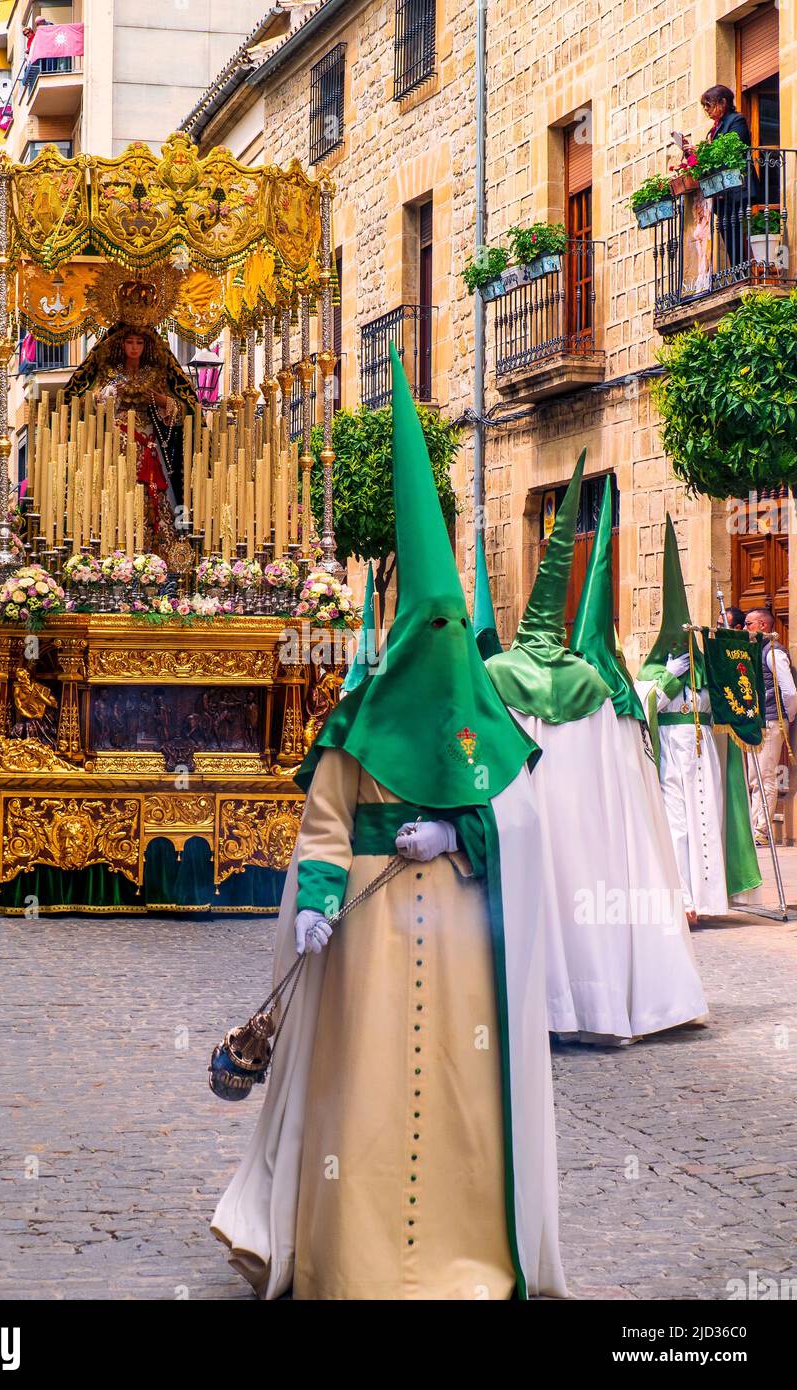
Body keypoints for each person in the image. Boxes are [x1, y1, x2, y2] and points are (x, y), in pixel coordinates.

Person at [211, 343, 566, 1301]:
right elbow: (325, 824)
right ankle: (355, 1261)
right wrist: (317, 902)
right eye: (435, 630)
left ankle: (465, 1257)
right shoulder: (356, 717)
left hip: (459, 952)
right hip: (366, 947)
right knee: (364, 1099)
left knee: (455, 1098)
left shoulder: (485, 722)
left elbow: (526, 829)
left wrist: (460, 836)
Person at [486, 459, 706, 1043]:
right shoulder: (596, 684)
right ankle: (607, 1004)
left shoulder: (497, 676)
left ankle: (547, 1010)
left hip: (525, 825)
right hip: (592, 834)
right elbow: (626, 788)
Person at [634, 519, 758, 921]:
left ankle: (708, 902)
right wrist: (669, 677)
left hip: (704, 760)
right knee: (678, 827)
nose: (684, 649)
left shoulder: (704, 673)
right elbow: (645, 708)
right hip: (671, 758)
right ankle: (682, 902)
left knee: (707, 824)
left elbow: (724, 706)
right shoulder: (657, 672)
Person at [64, 320, 198, 568]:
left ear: (147, 346)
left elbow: (180, 410)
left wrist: (161, 400)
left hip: (149, 441)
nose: (134, 348)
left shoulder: (156, 375)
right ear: (120, 345)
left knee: (154, 495)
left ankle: (158, 550)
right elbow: (87, 403)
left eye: (139, 342)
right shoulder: (110, 374)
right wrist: (106, 396)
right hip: (119, 443)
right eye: (129, 342)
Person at [682, 85, 753, 273]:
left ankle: (743, 273)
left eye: (709, 105)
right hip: (723, 192)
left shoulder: (736, 121)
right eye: (704, 106)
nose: (706, 110)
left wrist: (703, 151)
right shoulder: (716, 128)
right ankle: (738, 272)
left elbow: (733, 147)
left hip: (738, 188)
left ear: (723, 102)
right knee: (727, 231)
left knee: (736, 231)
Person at [743, 607, 797, 845]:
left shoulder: (774, 653)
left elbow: (789, 690)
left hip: (771, 721)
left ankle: (761, 831)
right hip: (758, 720)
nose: (745, 629)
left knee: (765, 776)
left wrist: (787, 716)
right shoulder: (758, 650)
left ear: (763, 625)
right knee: (755, 776)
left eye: (749, 624)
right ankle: (754, 826)